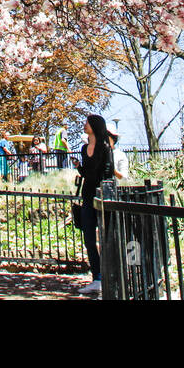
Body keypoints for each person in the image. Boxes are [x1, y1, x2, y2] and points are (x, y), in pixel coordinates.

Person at [76, 114, 113, 296]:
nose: (84, 125)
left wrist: (103, 193)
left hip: (102, 197)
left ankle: (109, 276)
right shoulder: (84, 149)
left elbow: (107, 173)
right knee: (89, 238)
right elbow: (86, 172)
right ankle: (96, 277)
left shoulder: (105, 147)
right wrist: (78, 167)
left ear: (94, 126)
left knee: (106, 239)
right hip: (87, 195)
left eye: (87, 123)